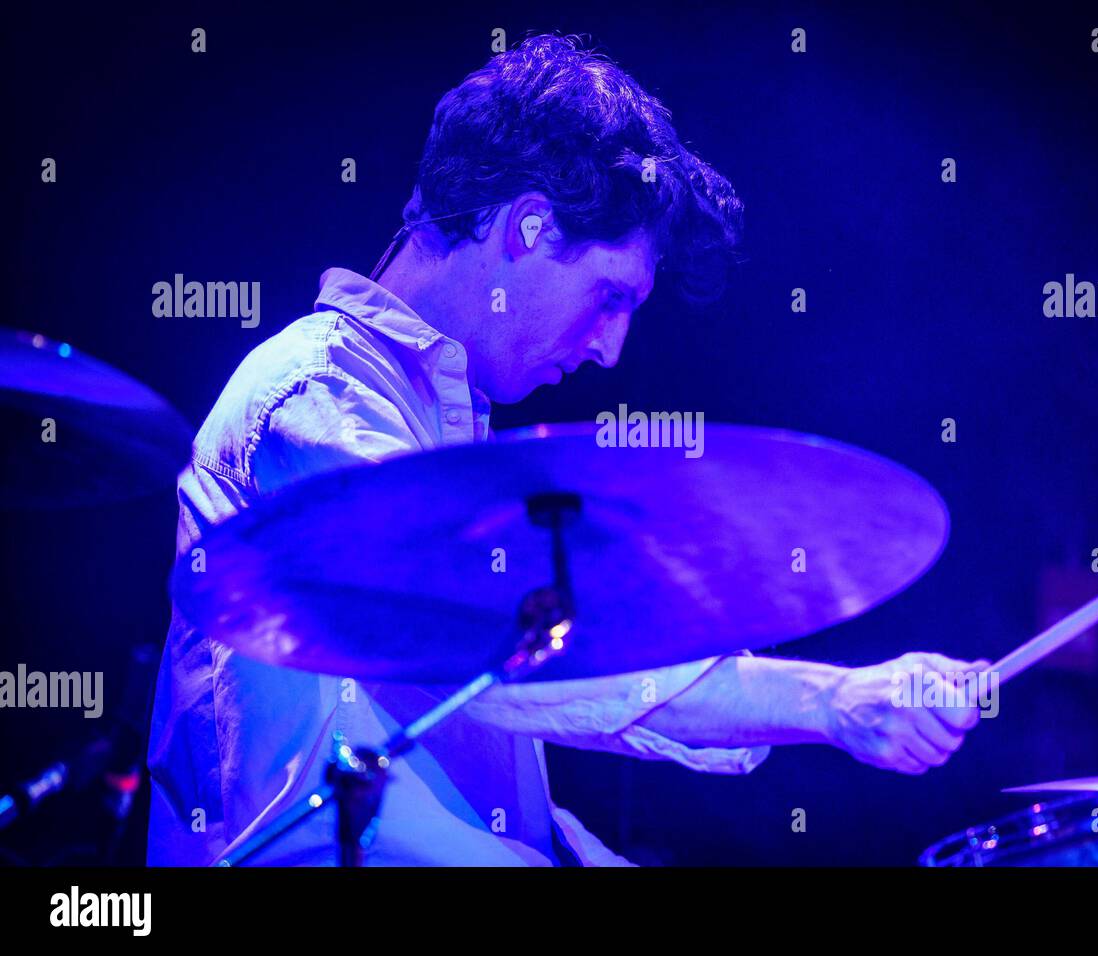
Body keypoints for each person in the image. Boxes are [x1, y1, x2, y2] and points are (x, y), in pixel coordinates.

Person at [146, 34, 984, 866]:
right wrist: (831, 700)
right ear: (527, 226)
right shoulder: (314, 393)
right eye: (610, 296)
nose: (610, 350)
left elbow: (465, 761)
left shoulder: (433, 424)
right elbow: (498, 648)